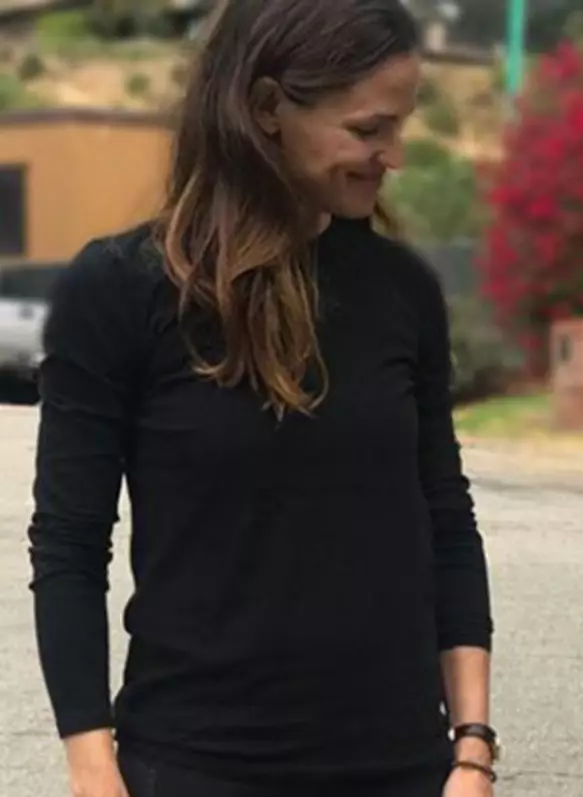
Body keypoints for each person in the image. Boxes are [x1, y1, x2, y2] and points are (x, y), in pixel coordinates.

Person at [26, 1, 497, 795]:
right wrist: (93, 766)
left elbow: (444, 517)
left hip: (398, 767)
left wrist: (472, 750)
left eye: (399, 125)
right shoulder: (120, 291)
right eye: (368, 129)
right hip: (191, 766)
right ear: (270, 107)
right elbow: (70, 546)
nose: (394, 154)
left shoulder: (402, 290)